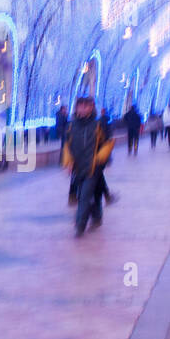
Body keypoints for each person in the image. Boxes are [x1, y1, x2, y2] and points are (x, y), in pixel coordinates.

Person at [62, 96, 114, 236]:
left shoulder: (98, 125)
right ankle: (97, 217)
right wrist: (68, 162)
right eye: (81, 106)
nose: (83, 109)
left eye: (87, 106)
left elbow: (108, 142)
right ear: (76, 107)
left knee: (85, 196)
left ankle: (80, 225)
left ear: (92, 108)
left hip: (93, 167)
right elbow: (67, 146)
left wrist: (99, 158)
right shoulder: (71, 126)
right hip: (78, 167)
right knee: (87, 195)